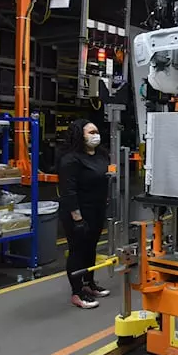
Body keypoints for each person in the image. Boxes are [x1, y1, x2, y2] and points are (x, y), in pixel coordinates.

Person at [58, 119, 111, 309]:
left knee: (91, 249)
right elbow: (68, 191)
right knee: (78, 251)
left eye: (96, 131)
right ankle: (77, 292)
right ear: (80, 135)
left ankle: (89, 284)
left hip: (96, 210)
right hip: (77, 213)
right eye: (91, 132)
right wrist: (77, 218)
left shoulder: (101, 155)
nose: (95, 135)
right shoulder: (70, 159)